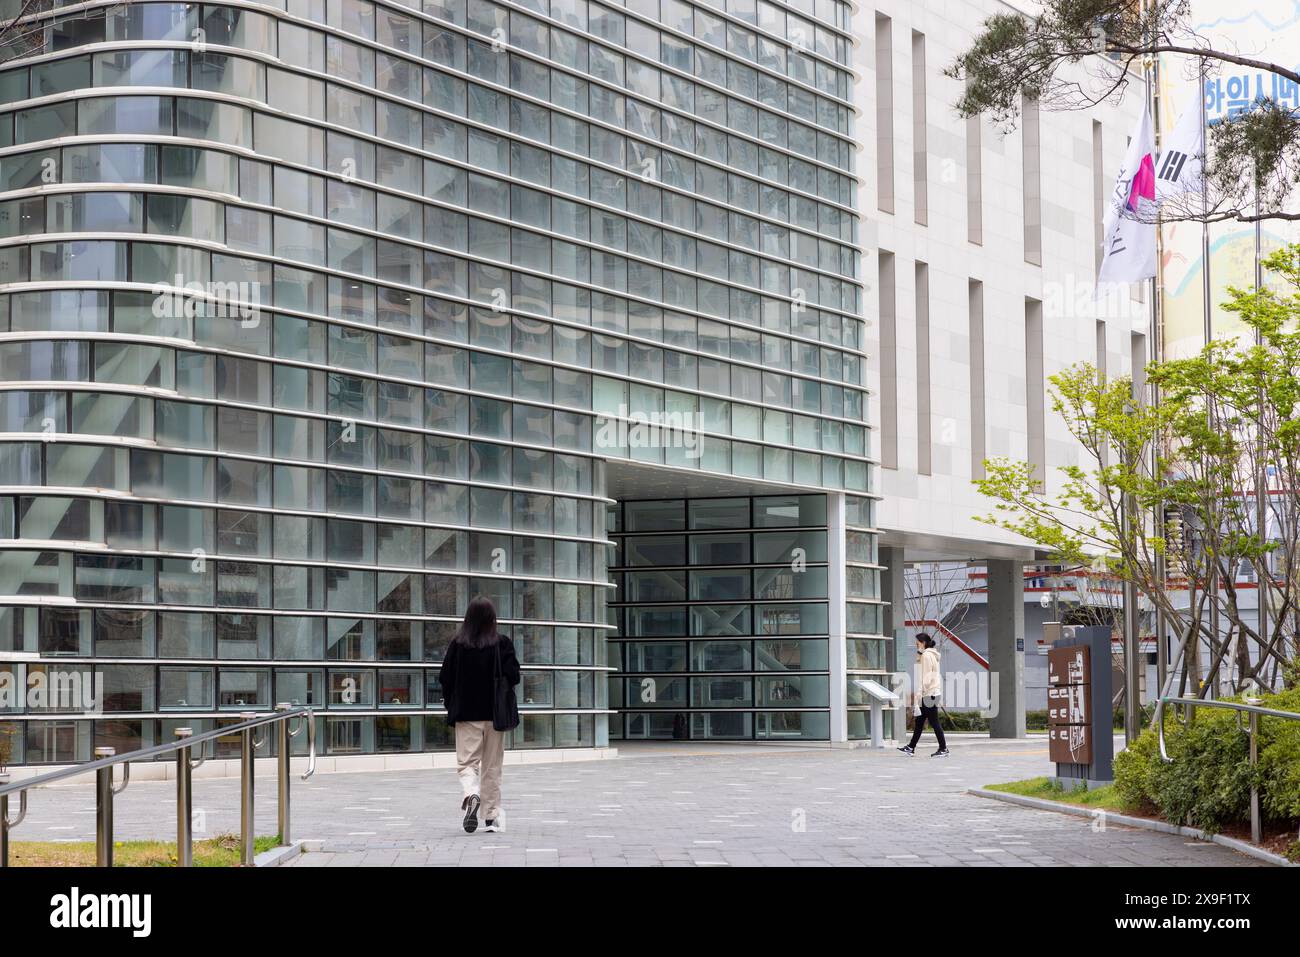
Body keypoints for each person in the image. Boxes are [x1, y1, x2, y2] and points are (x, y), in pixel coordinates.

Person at [438, 597, 521, 832]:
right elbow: (514, 676)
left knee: (467, 764)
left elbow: (445, 678)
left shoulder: (458, 645)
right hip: (496, 715)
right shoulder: (502, 643)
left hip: (466, 714)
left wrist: (452, 703)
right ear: (492, 619)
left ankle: (471, 793)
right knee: (492, 766)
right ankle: (490, 816)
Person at [898, 633, 949, 757]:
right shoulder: (930, 654)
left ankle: (943, 749)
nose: (916, 645)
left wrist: (919, 693)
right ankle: (911, 747)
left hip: (929, 693)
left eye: (918, 643)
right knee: (920, 721)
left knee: (934, 722)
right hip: (931, 693)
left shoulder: (926, 656)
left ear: (923, 643)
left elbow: (926, 678)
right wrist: (919, 654)